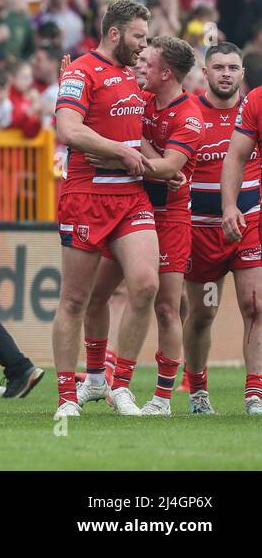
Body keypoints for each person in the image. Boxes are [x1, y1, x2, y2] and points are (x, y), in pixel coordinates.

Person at [80, 36, 201, 416]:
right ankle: (97, 379)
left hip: (170, 220)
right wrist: (71, 79)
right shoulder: (140, 98)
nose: (139, 66)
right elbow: (100, 115)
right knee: (95, 295)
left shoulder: (190, 116)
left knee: (166, 308)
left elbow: (168, 169)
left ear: (167, 72)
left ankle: (160, 398)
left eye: (147, 62)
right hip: (132, 211)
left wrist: (127, 153)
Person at [52, 0, 158, 418]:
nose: (142, 45)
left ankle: (121, 386)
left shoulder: (133, 75)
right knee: (75, 300)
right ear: (114, 33)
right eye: (138, 36)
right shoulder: (81, 71)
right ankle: (66, 397)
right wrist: (117, 150)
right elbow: (68, 129)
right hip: (86, 196)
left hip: (131, 197)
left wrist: (161, 166)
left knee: (146, 284)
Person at [185, 43, 262, 415]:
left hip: (248, 222)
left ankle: (255, 395)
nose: (226, 73)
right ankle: (198, 391)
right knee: (202, 314)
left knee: (255, 305)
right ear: (205, 72)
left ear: (243, 73)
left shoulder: (253, 110)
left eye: (233, 67)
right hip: (201, 229)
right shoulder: (189, 111)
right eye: (218, 67)